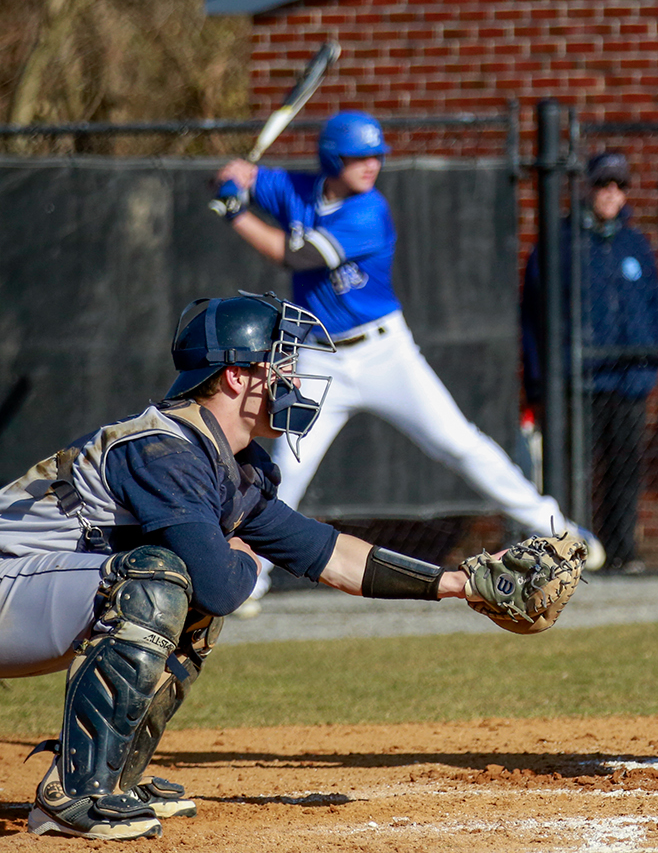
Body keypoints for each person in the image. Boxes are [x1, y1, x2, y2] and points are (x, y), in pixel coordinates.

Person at [0, 294, 564, 839]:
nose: (291, 379)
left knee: (179, 586)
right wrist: (239, 555)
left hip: (33, 600)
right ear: (236, 377)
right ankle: (74, 795)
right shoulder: (164, 451)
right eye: (280, 365)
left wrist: (460, 585)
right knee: (160, 581)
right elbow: (221, 584)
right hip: (9, 588)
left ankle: (113, 776)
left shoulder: (231, 462)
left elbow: (326, 553)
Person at [215, 113, 600, 609]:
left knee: (459, 444)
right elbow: (234, 178)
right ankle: (250, 579)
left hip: (383, 353)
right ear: (333, 158)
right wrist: (234, 176)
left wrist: (234, 212)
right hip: (315, 358)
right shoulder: (296, 189)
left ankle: (559, 529)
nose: (372, 165)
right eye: (360, 157)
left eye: (377, 155)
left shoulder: (369, 211)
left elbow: (296, 255)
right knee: (286, 470)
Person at [519, 152, 658, 574]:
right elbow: (534, 316)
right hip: (578, 382)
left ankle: (623, 553)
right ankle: (571, 553)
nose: (611, 195)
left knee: (625, 470)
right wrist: (539, 382)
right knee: (573, 473)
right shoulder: (560, 245)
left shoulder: (634, 244)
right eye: (604, 185)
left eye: (619, 187)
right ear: (588, 189)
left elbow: (654, 305)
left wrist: (649, 358)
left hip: (628, 380)